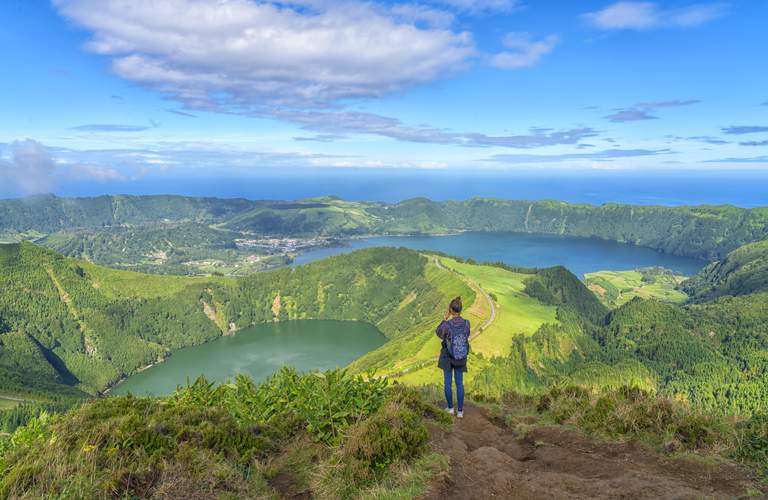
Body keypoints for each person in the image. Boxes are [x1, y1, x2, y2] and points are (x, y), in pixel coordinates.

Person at [436, 296, 470, 418]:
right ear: (460, 310)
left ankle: (450, 408)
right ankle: (460, 411)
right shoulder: (466, 323)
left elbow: (438, 333)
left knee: (448, 383)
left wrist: (444, 319)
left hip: (448, 357)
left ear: (450, 310)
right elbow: (466, 335)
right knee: (459, 383)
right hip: (461, 356)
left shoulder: (447, 325)